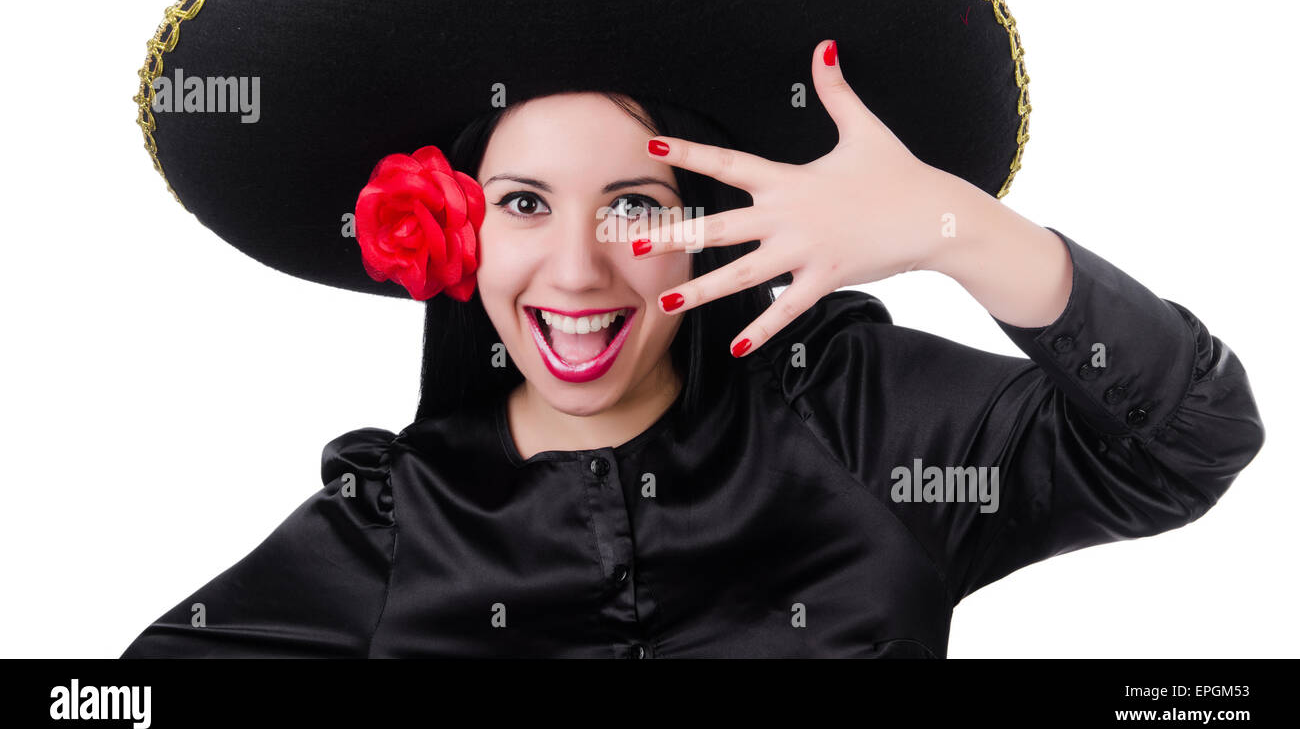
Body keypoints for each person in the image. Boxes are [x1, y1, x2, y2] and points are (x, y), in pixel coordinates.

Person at [120, 42, 1265, 658]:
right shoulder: (389, 528)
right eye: (524, 205)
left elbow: (1186, 443)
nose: (576, 271)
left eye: (633, 206)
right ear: (457, 235)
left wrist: (957, 229)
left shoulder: (862, 423)